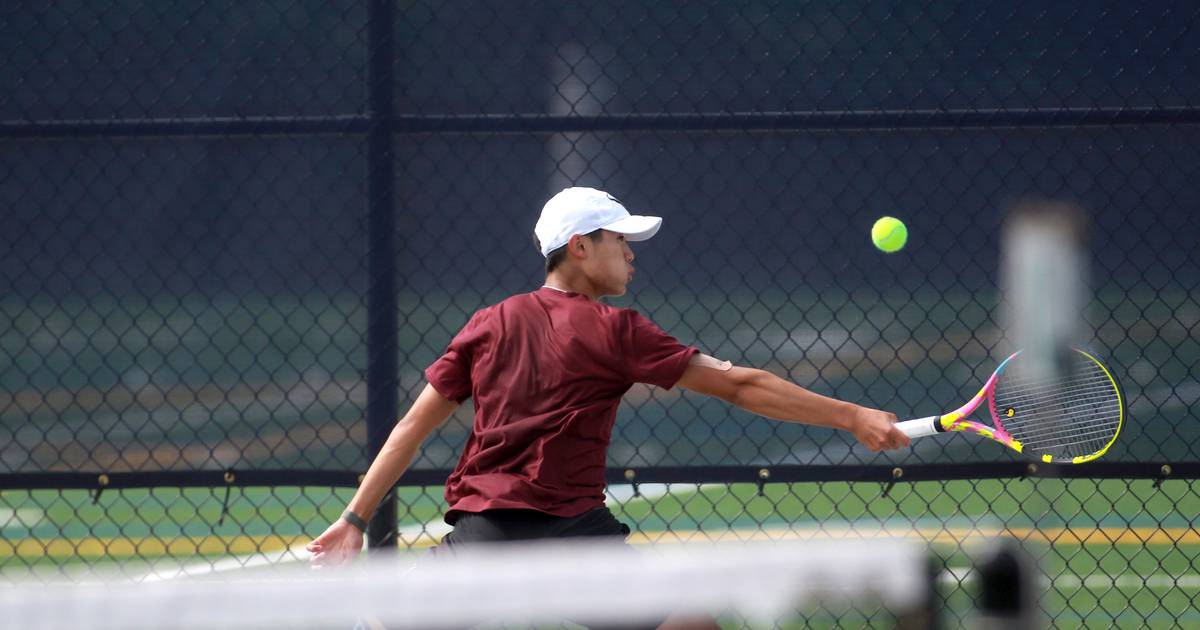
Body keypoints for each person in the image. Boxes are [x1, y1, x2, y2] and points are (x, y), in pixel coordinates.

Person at [307, 187, 910, 567]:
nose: (632, 253)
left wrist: (354, 519)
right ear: (579, 247)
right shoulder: (616, 330)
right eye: (620, 240)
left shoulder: (488, 322)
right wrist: (852, 415)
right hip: (555, 531)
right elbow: (740, 386)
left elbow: (411, 426)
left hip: (516, 529)